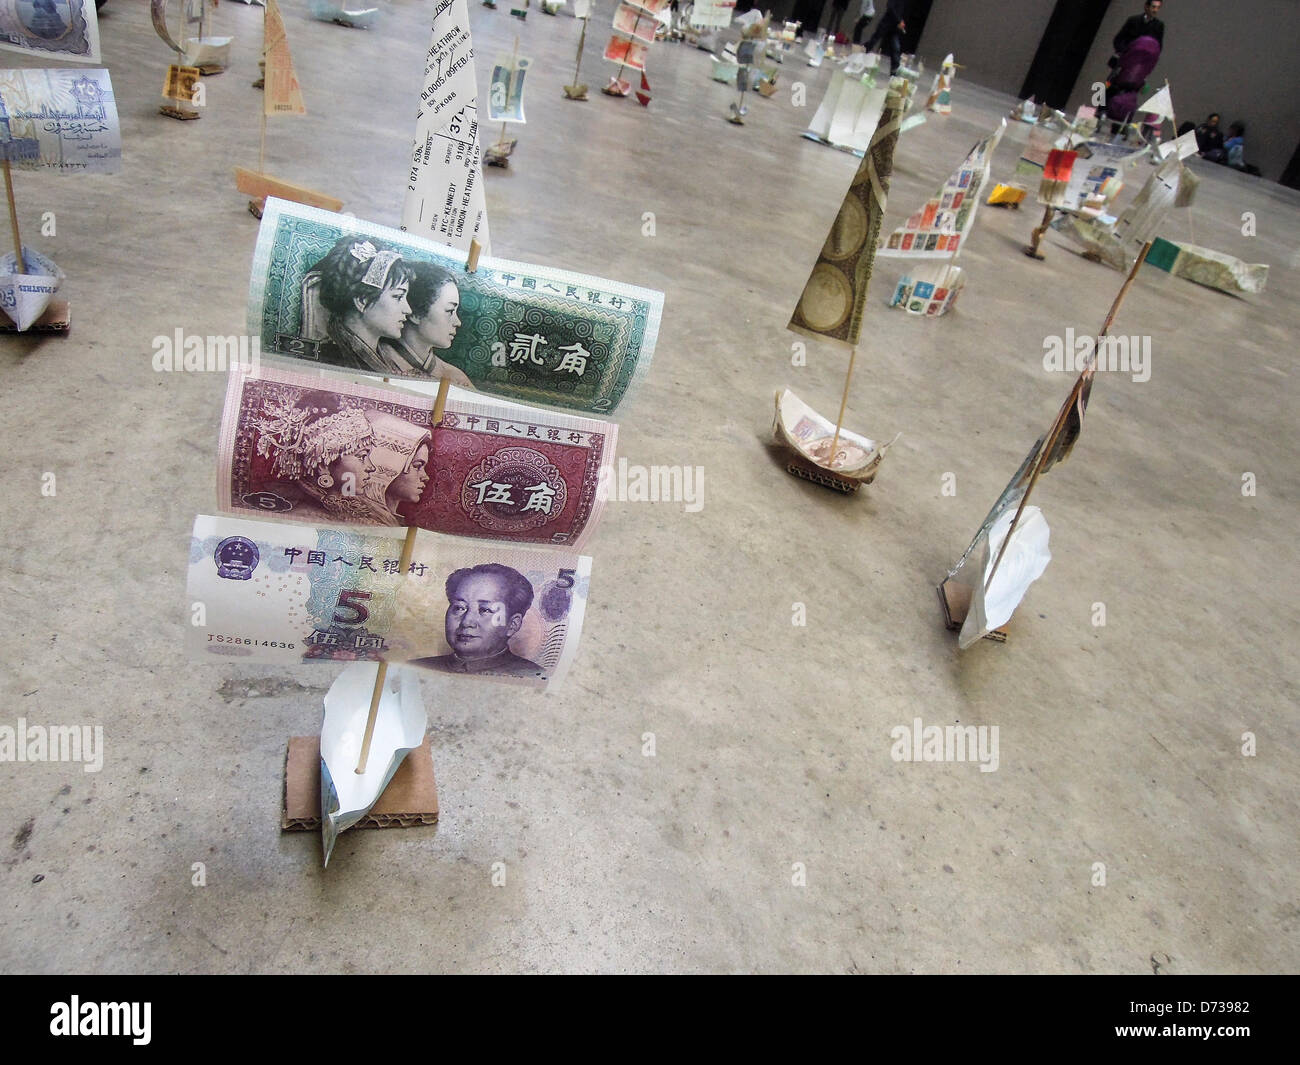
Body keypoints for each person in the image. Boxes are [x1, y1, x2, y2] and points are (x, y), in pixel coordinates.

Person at [250, 397, 432, 526]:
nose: (371, 467)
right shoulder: (309, 516)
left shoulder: (352, 510)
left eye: (369, 456)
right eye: (361, 457)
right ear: (323, 467)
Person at [411, 564, 544, 677]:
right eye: (459, 608)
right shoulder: (417, 667)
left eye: (485, 610)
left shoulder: (532, 675)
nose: (466, 622)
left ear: (512, 625)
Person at [310, 235, 413, 374]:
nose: (408, 309)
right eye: (398, 296)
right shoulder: (331, 359)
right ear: (362, 300)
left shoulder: (389, 356)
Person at [378, 261, 473, 386]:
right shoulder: (378, 360)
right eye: (449, 311)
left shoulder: (456, 378)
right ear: (415, 314)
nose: (458, 322)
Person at [1104, 34, 1160, 133]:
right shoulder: (1142, 71)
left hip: (1118, 91)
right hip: (1129, 97)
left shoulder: (1123, 65)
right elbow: (1144, 89)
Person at [862, 0, 906, 74]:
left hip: (894, 28)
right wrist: (899, 20)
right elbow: (890, 8)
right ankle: (862, 54)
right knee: (873, 41)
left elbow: (898, 12)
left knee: (895, 48)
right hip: (886, 24)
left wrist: (900, 21)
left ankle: (894, 70)